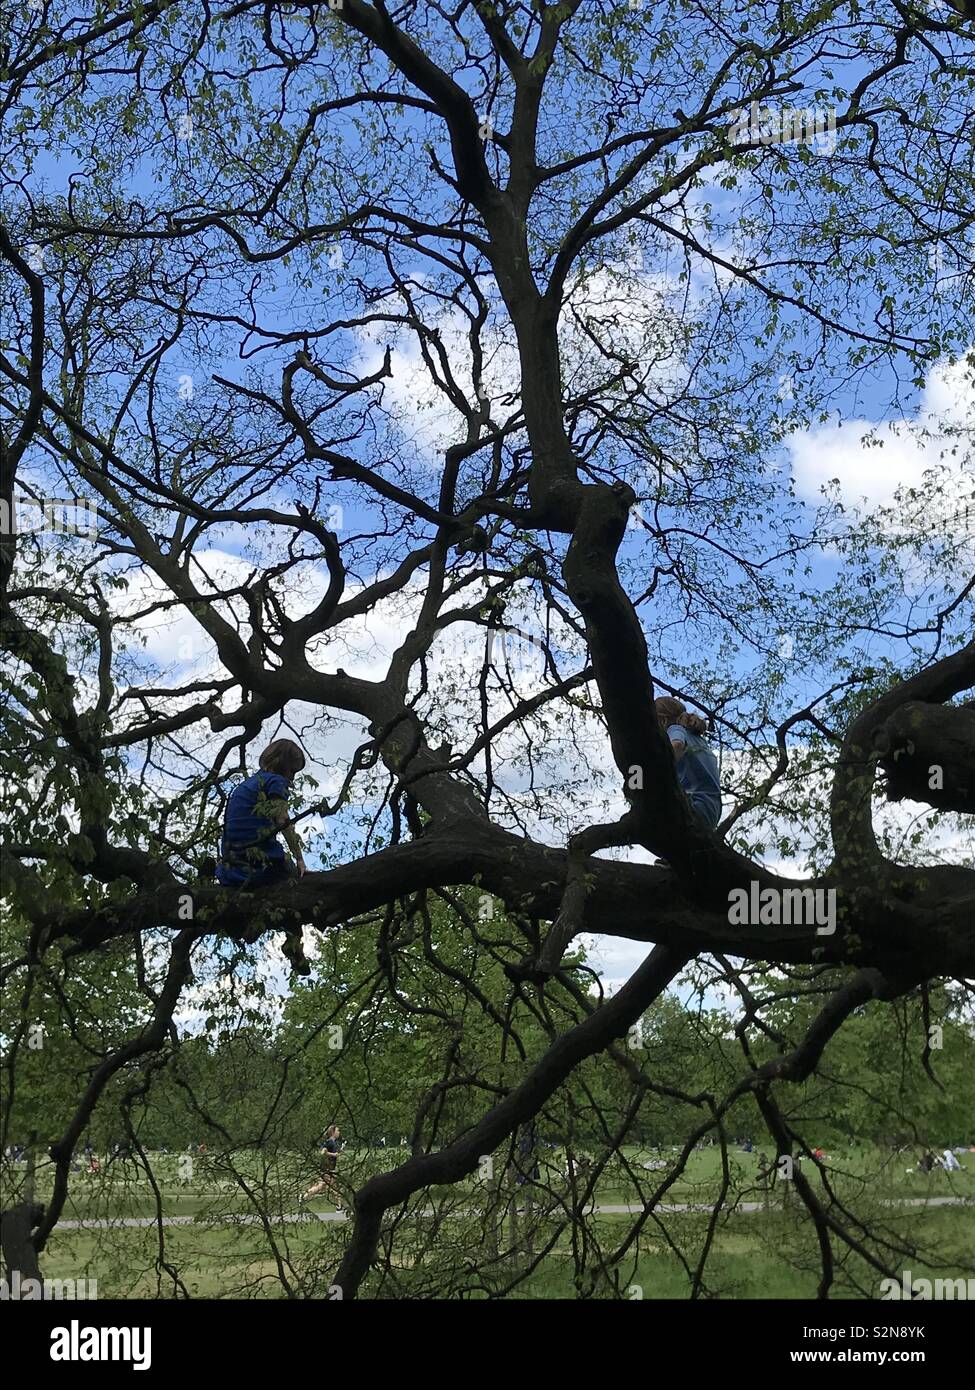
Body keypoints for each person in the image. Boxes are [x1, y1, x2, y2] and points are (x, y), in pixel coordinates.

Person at [215, 738, 310, 974]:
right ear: (283, 764)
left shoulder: (247, 785)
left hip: (232, 864)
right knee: (294, 886)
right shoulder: (275, 782)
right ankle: (293, 943)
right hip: (257, 862)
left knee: (272, 893)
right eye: (292, 770)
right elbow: (283, 820)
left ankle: (254, 923)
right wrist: (299, 857)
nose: (293, 777)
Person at [654, 697, 722, 832]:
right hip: (713, 810)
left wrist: (659, 773)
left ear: (663, 720)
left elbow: (677, 745)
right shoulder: (699, 740)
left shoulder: (675, 729)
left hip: (696, 805)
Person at [302, 1125, 343, 1207]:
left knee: (321, 1187)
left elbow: (334, 1152)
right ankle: (339, 1206)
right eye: (337, 1131)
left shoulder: (333, 1142)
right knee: (334, 1188)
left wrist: (338, 1152)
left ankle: (303, 1196)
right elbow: (323, 1152)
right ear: (333, 1132)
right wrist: (334, 1154)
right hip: (327, 1169)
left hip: (329, 1168)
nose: (339, 1132)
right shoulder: (329, 1142)